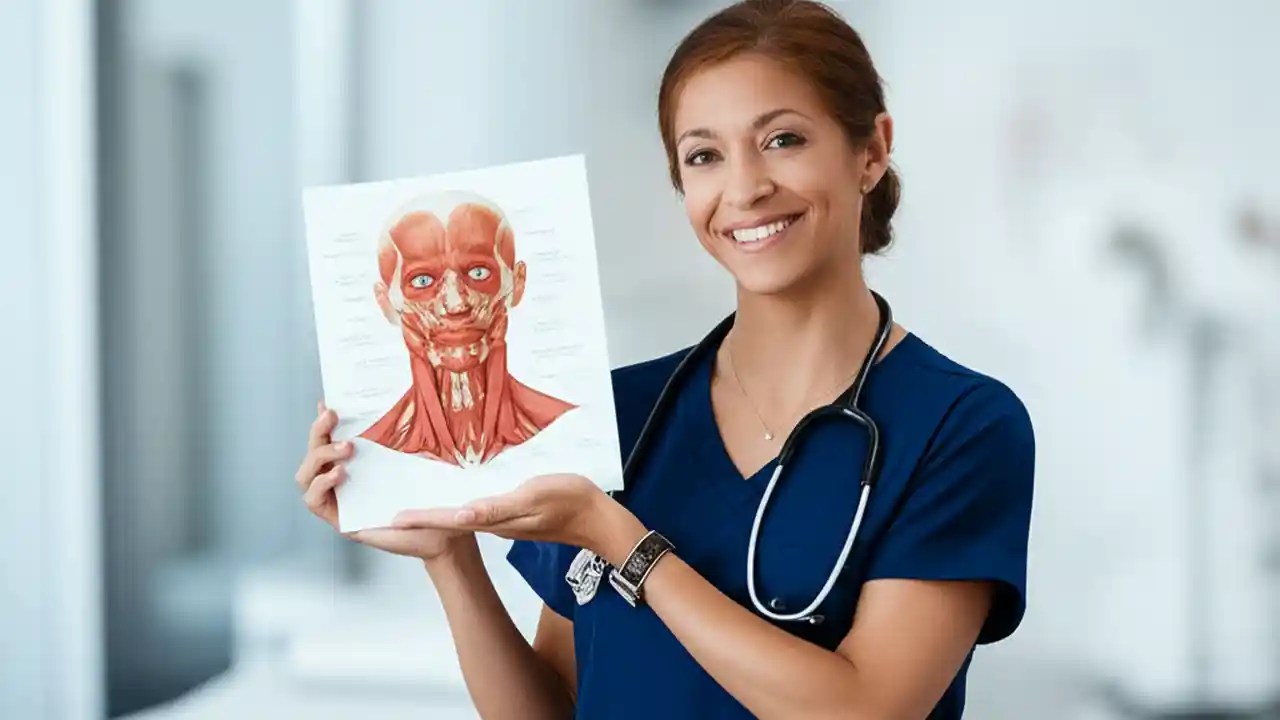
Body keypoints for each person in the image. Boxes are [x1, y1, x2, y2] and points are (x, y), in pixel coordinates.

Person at [294, 1, 1035, 717]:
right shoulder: (620, 415)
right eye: (705, 155)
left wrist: (619, 539)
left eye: (783, 140)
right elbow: (555, 712)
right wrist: (450, 560)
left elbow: (867, 710)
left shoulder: (961, 426)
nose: (744, 188)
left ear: (871, 151)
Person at [358, 192, 577, 465]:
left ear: (517, 284)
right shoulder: (365, 460)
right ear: (386, 302)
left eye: (478, 273)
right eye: (423, 280)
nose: (456, 303)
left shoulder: (574, 432)